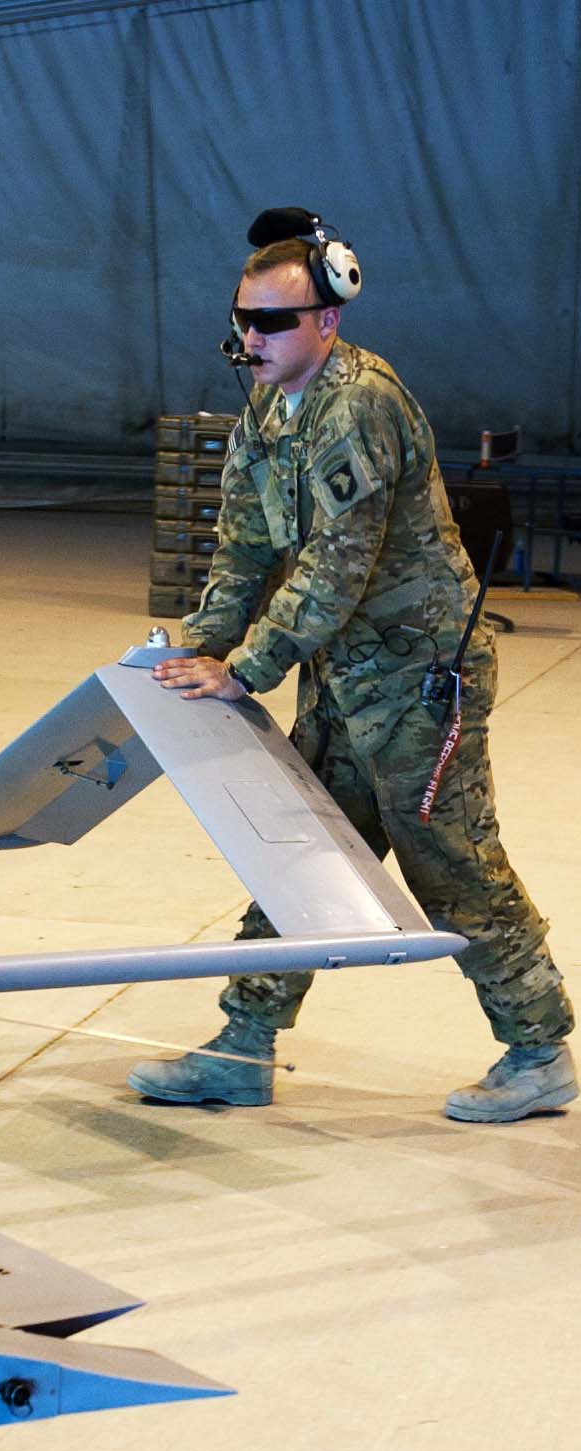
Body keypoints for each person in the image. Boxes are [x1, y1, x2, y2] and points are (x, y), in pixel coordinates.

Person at [131, 210, 574, 1123]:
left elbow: (336, 566)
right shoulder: (267, 404)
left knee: (450, 862)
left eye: (273, 321)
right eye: (243, 318)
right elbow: (243, 545)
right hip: (342, 674)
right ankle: (243, 1045)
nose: (251, 337)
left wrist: (246, 667)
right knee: (300, 851)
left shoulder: (357, 404)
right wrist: (197, 644)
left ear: (327, 319)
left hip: (420, 680)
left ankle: (539, 1053)